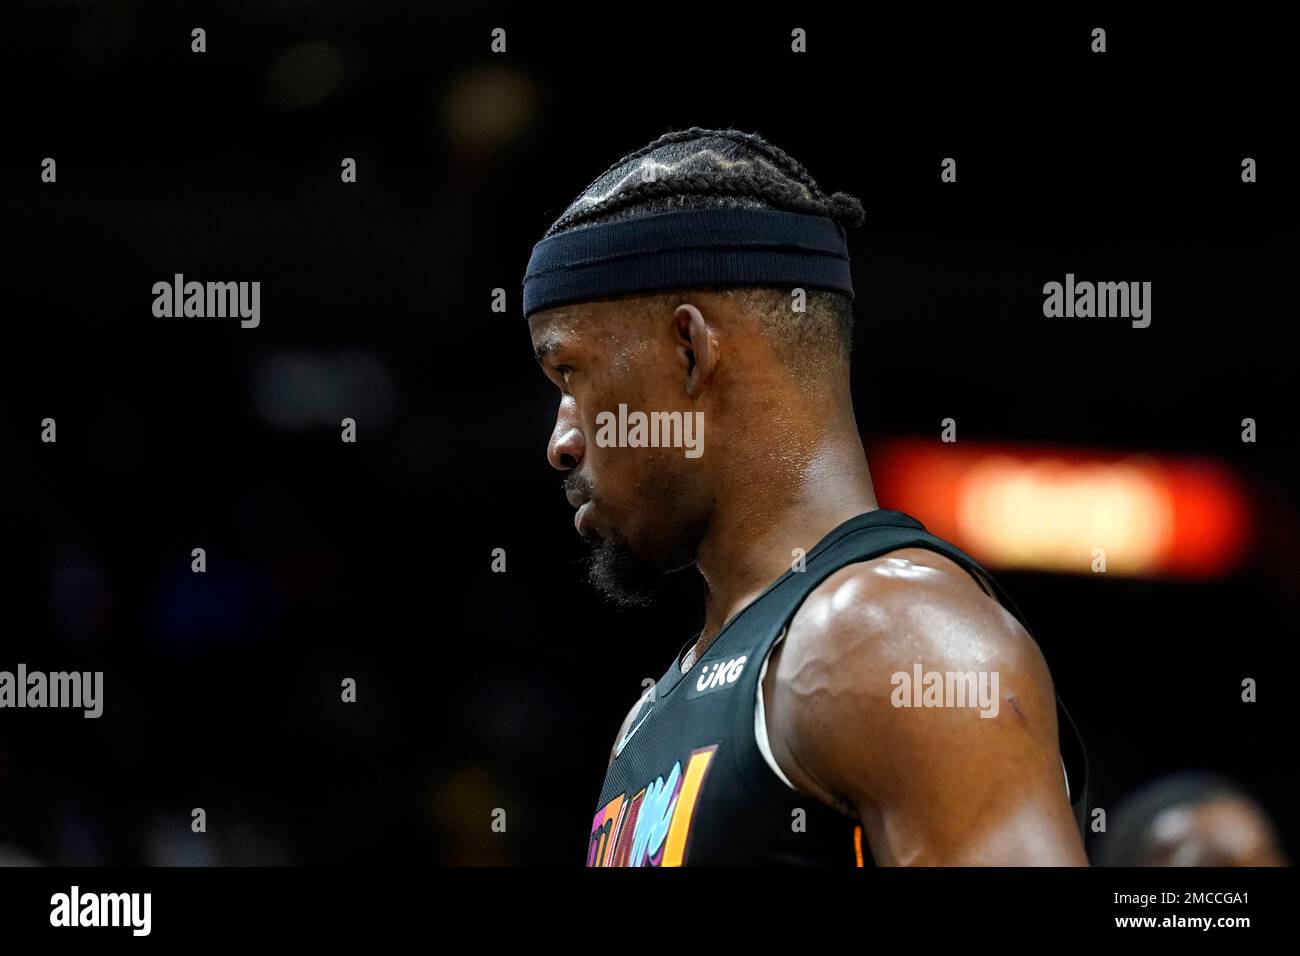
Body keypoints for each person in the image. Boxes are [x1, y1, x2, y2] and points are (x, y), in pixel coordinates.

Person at [523, 128, 1089, 866]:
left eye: (570, 375)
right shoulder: (653, 714)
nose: (561, 441)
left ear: (690, 351)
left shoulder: (892, 636)